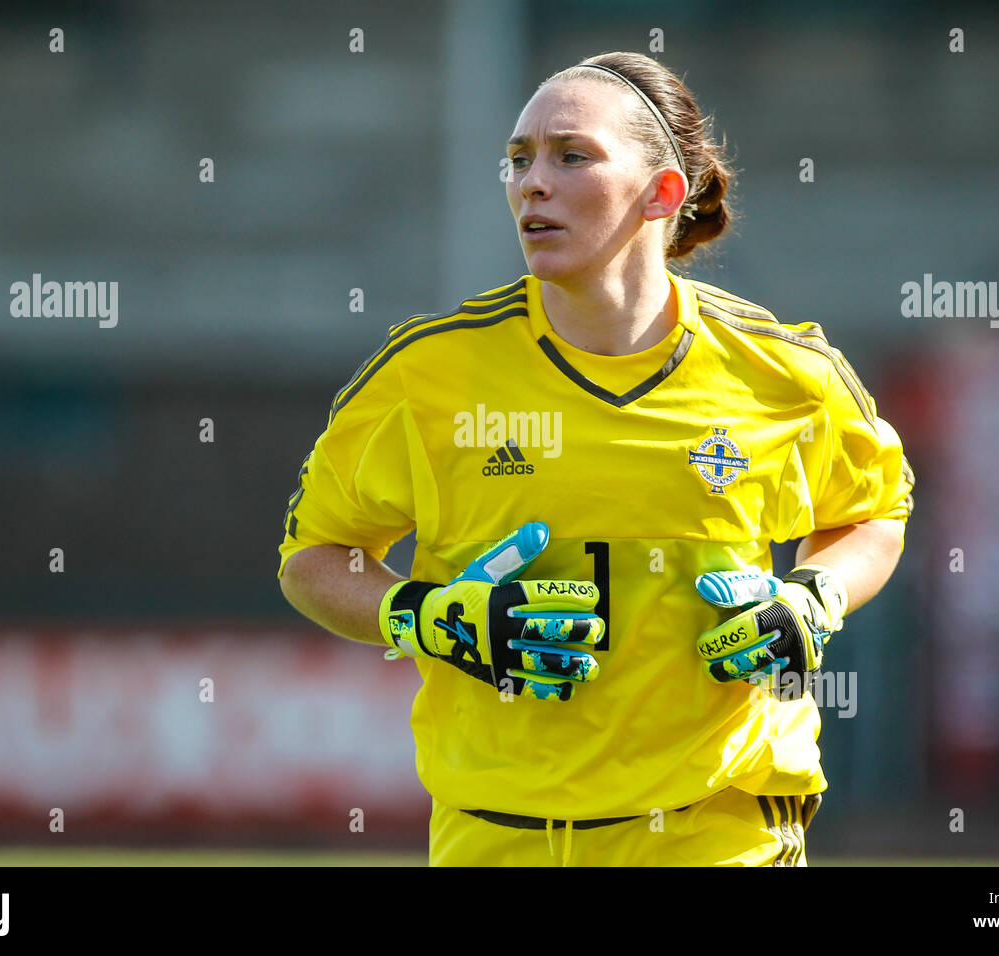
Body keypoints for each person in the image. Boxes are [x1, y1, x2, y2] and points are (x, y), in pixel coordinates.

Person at [277, 51, 914, 866]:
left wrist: (813, 598)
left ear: (663, 193)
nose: (531, 183)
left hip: (718, 828)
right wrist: (429, 618)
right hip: (497, 834)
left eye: (571, 155)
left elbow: (871, 517)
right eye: (518, 160)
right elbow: (314, 560)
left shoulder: (785, 374)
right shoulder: (424, 376)